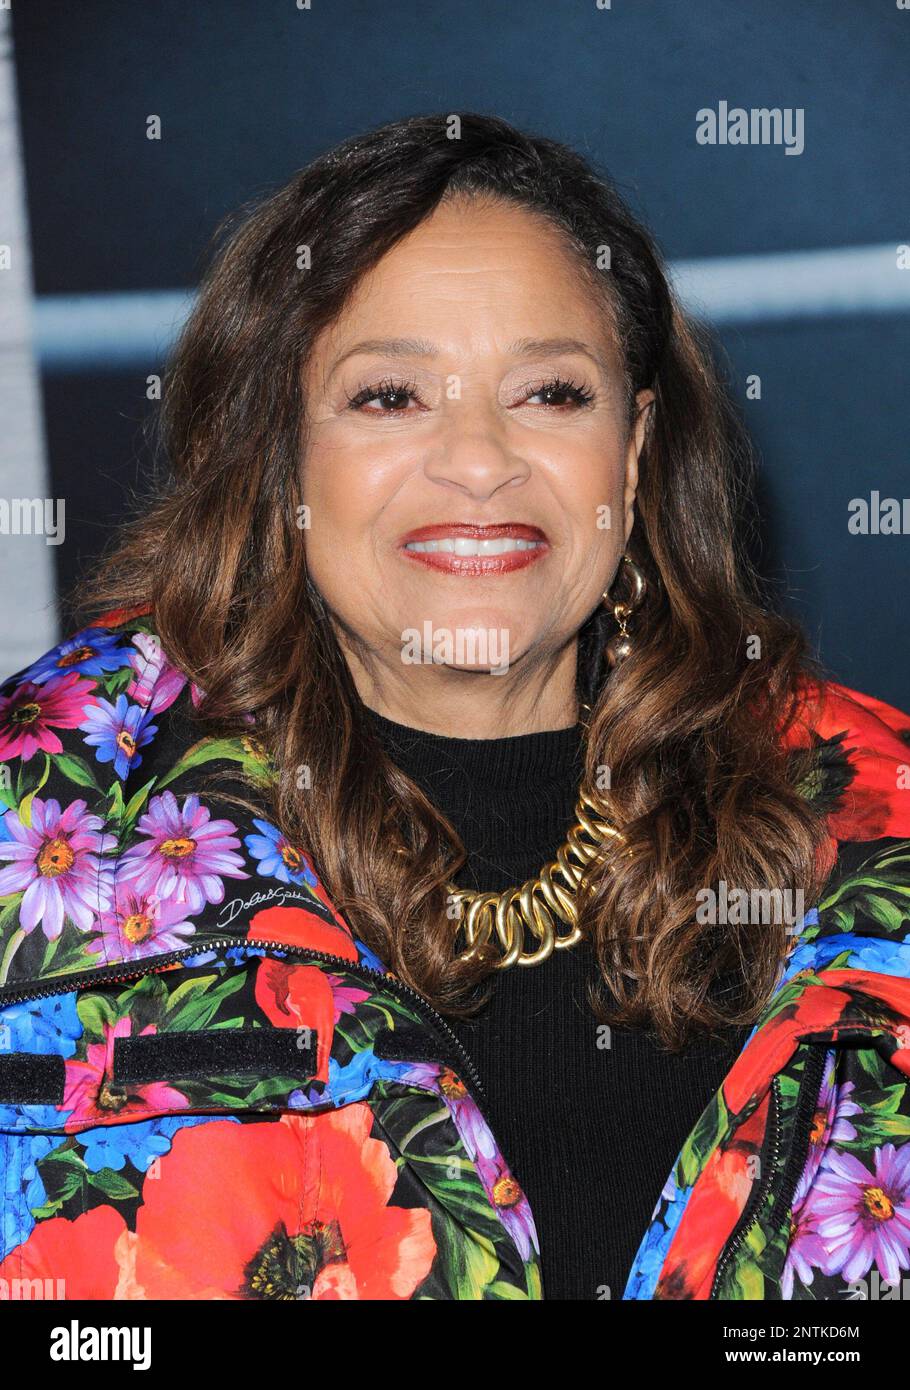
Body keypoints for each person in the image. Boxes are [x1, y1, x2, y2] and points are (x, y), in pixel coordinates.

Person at [1, 111, 909, 1301]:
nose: (480, 459)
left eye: (549, 391)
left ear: (632, 452)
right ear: (277, 453)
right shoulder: (42, 825)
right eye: (388, 396)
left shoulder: (877, 831)